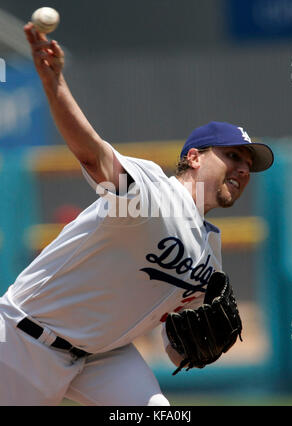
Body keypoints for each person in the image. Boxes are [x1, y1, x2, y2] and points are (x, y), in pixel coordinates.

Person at [0, 23, 274, 406]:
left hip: (106, 357)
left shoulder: (210, 252)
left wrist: (200, 347)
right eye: (232, 156)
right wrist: (54, 83)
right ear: (193, 157)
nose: (243, 169)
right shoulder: (149, 193)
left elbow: (175, 349)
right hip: (25, 339)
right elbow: (91, 153)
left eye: (248, 164)